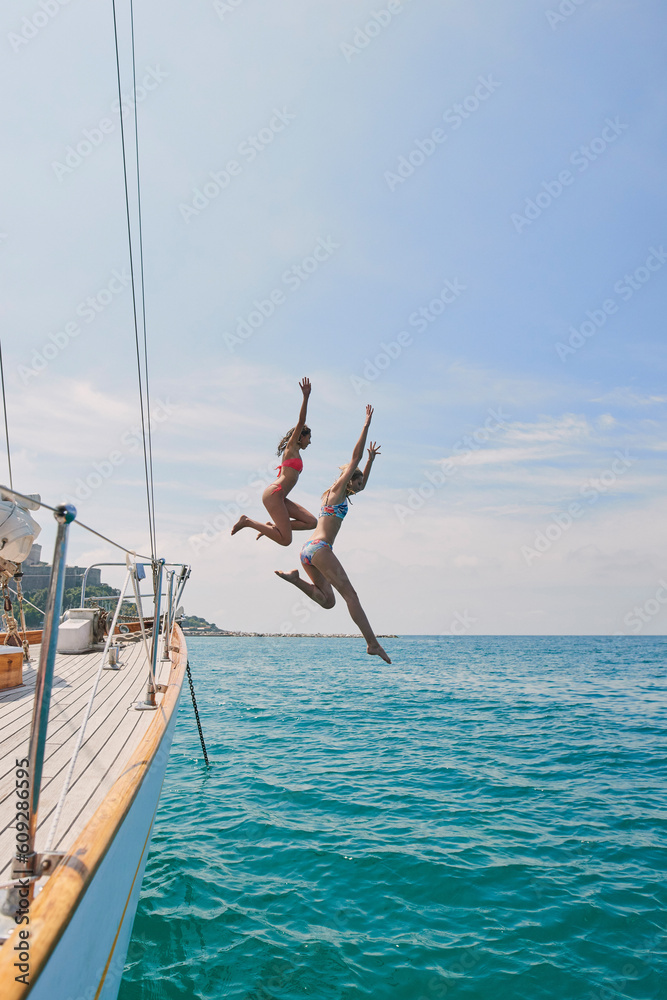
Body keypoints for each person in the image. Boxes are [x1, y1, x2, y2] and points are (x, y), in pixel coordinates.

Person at [276, 404, 391, 664]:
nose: (359, 488)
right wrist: (366, 426)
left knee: (328, 602)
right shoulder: (338, 490)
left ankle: (295, 580)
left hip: (308, 551)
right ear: (349, 479)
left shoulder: (335, 495)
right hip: (320, 549)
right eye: (357, 482)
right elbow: (355, 459)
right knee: (351, 596)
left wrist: (371, 462)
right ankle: (372, 643)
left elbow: (361, 480)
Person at [232, 378, 317, 546]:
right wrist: (306, 397)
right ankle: (247, 521)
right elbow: (301, 421)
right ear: (301, 437)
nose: (310, 442)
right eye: (309, 438)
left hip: (281, 496)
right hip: (274, 494)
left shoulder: (297, 453)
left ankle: (272, 527)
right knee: (286, 540)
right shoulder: (291, 447)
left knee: (311, 522)